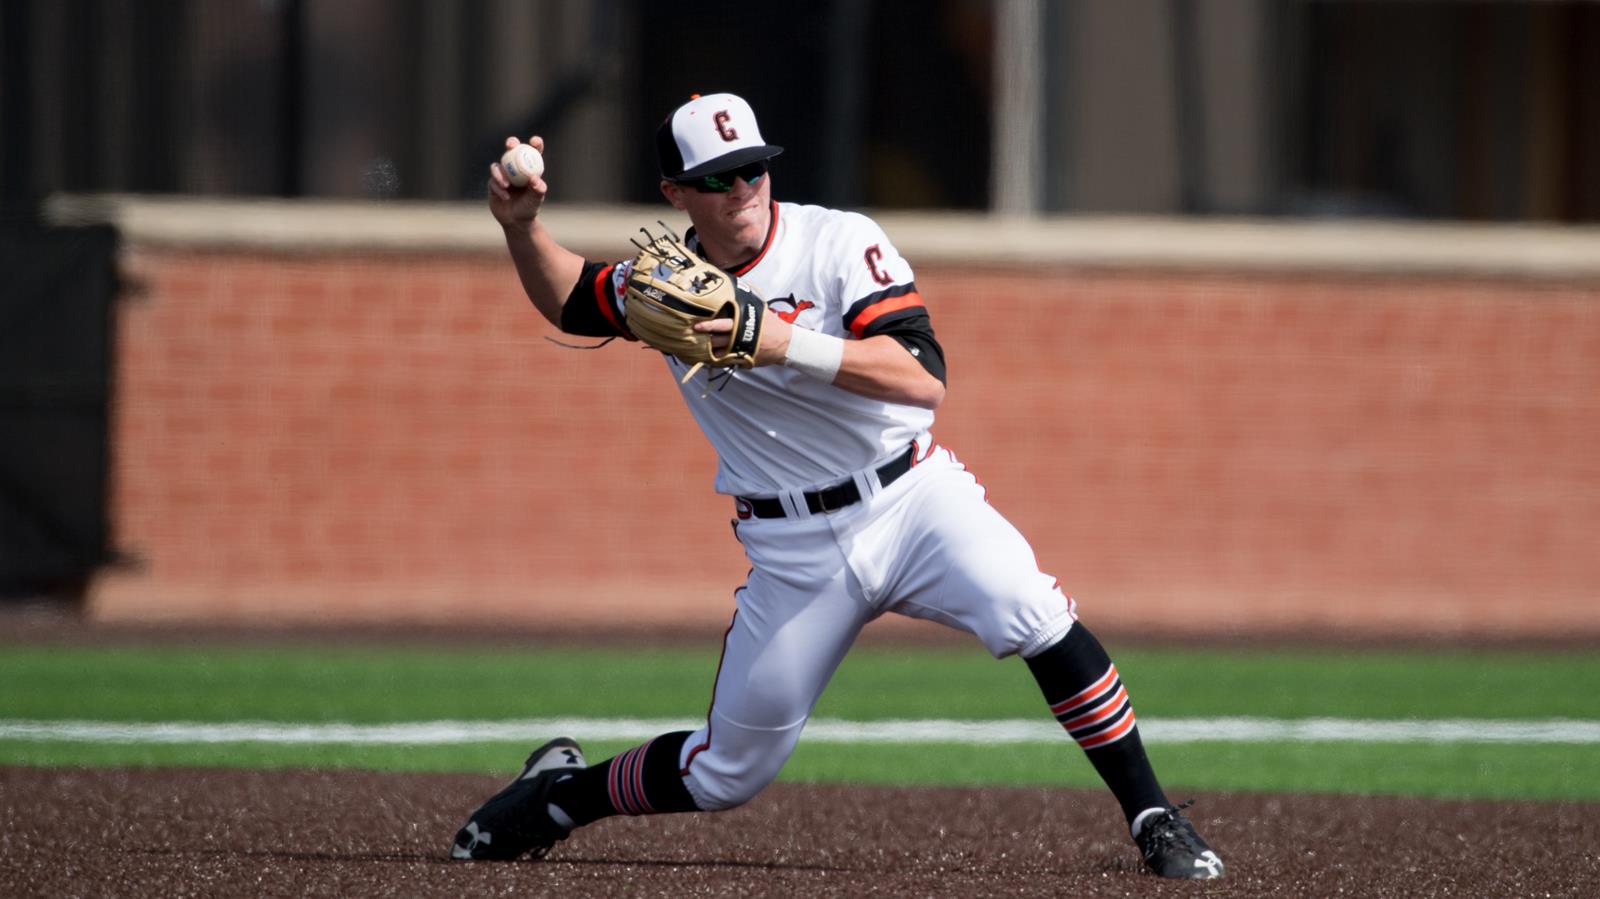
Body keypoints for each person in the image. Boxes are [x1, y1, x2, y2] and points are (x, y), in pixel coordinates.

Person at [450, 92, 1225, 880]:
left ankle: (1153, 815)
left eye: (752, 168)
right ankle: (564, 793)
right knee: (726, 772)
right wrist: (521, 227)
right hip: (792, 547)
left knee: (1032, 608)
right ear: (676, 194)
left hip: (910, 499)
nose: (742, 188)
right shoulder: (664, 284)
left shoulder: (838, 241)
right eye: (717, 178)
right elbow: (572, 298)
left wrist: (784, 341)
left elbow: (923, 377)